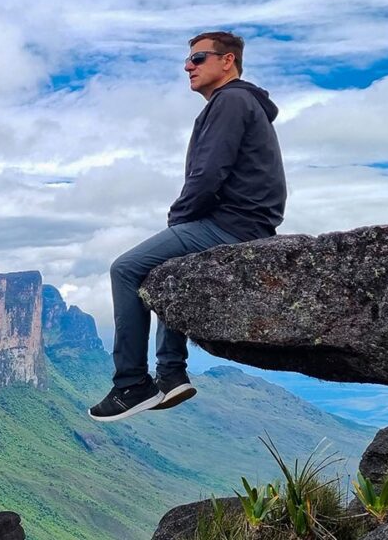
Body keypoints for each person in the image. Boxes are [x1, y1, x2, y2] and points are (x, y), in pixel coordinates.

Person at [88, 31, 287, 421]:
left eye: (198, 59)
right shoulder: (241, 104)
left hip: (231, 224)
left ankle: (131, 383)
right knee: (166, 266)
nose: (187, 67)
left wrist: (179, 218)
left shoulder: (230, 101)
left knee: (125, 268)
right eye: (188, 60)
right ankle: (171, 373)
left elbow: (209, 173)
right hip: (244, 222)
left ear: (227, 61)